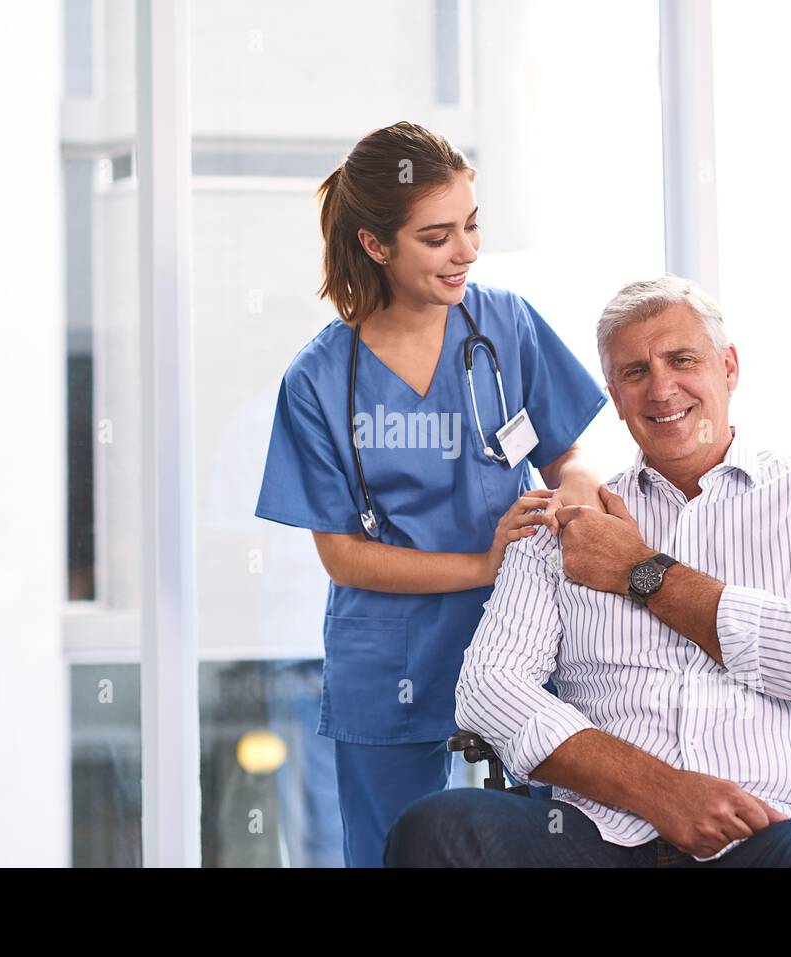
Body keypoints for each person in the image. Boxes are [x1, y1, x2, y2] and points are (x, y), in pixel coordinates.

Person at [384, 275, 791, 867]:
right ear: (614, 395)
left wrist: (641, 570)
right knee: (438, 827)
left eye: (681, 359)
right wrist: (661, 792)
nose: (662, 390)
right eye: (635, 372)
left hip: (772, 831)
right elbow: (488, 689)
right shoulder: (566, 524)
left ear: (729, 367)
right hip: (596, 836)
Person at [254, 122, 609, 867]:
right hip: (389, 662)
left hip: (516, 640)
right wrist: (483, 562)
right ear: (376, 246)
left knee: (547, 849)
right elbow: (345, 556)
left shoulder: (505, 325)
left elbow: (568, 457)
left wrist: (574, 504)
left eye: (472, 227)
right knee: (395, 853)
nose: (467, 253)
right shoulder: (318, 379)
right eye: (438, 236)